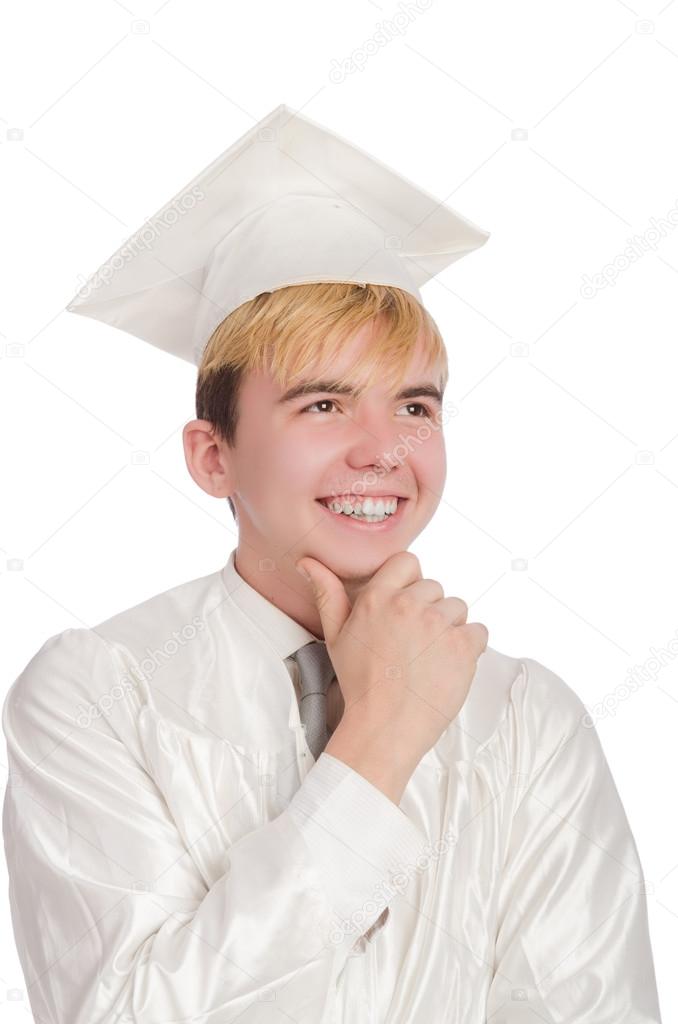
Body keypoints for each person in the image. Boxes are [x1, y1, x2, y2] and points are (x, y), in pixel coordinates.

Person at [2, 104, 662, 1023]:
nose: (384, 449)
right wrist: (379, 740)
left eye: (417, 407)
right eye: (323, 405)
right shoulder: (101, 693)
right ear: (212, 456)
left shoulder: (525, 717)